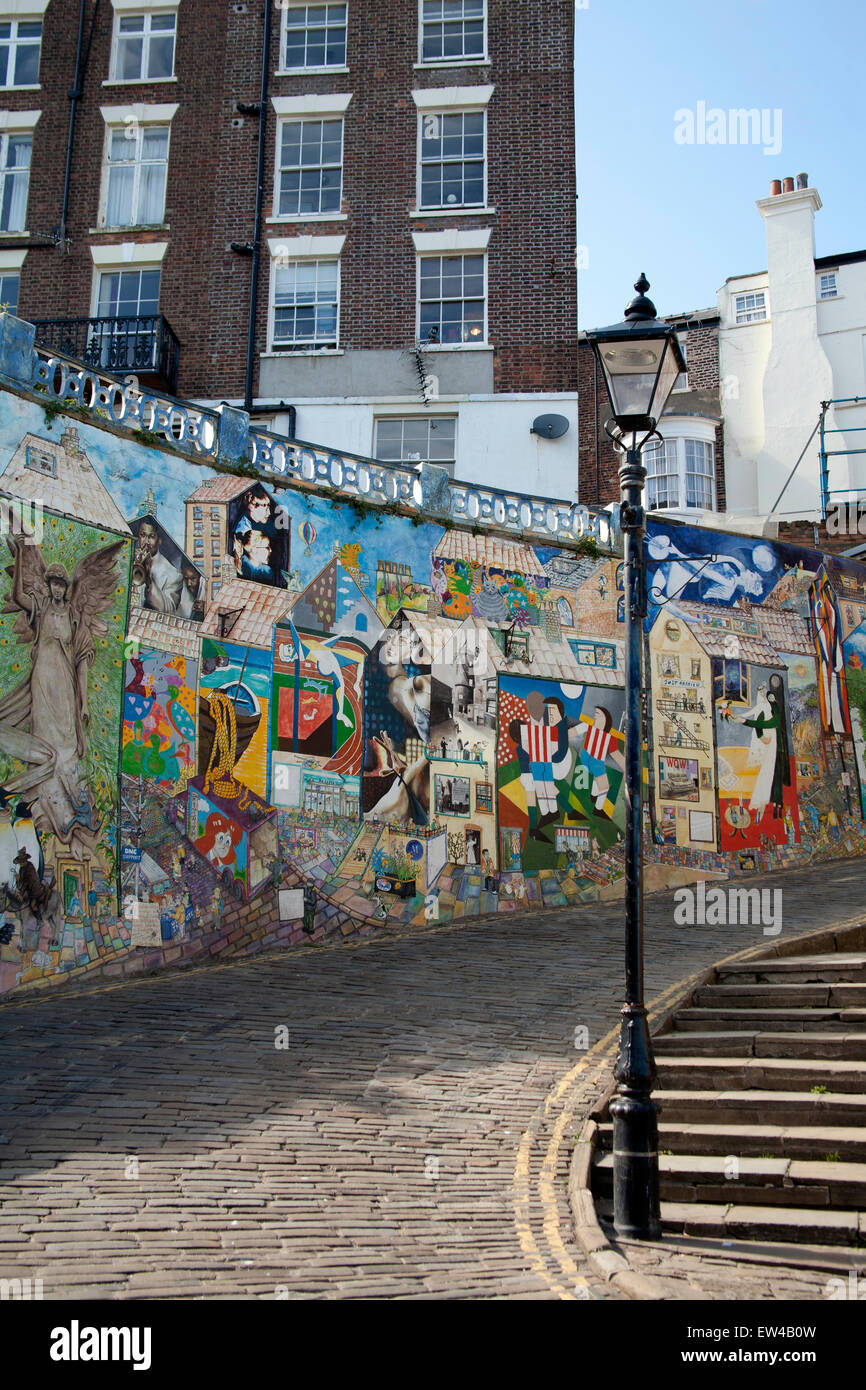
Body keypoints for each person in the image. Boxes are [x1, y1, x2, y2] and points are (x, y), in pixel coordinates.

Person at [134, 519, 183, 613]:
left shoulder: (174, 574)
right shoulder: (130, 557)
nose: (146, 542)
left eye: (151, 537)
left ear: (159, 540)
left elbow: (169, 610)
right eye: (142, 535)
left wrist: (148, 581)